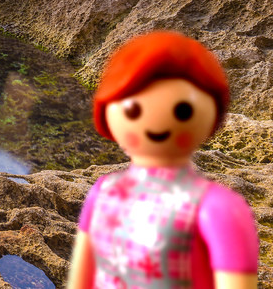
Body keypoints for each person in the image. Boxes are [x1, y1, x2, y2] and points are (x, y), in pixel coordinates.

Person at [66, 30, 259, 289]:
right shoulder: (103, 192)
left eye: (183, 110)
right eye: (134, 110)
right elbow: (82, 274)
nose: (156, 123)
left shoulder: (217, 207)